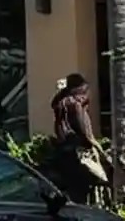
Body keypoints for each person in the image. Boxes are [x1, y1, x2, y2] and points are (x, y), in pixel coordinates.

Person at [50, 73, 108, 203]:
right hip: (76, 151)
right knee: (82, 190)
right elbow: (85, 133)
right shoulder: (75, 106)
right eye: (84, 89)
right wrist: (98, 149)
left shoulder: (60, 104)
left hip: (62, 150)